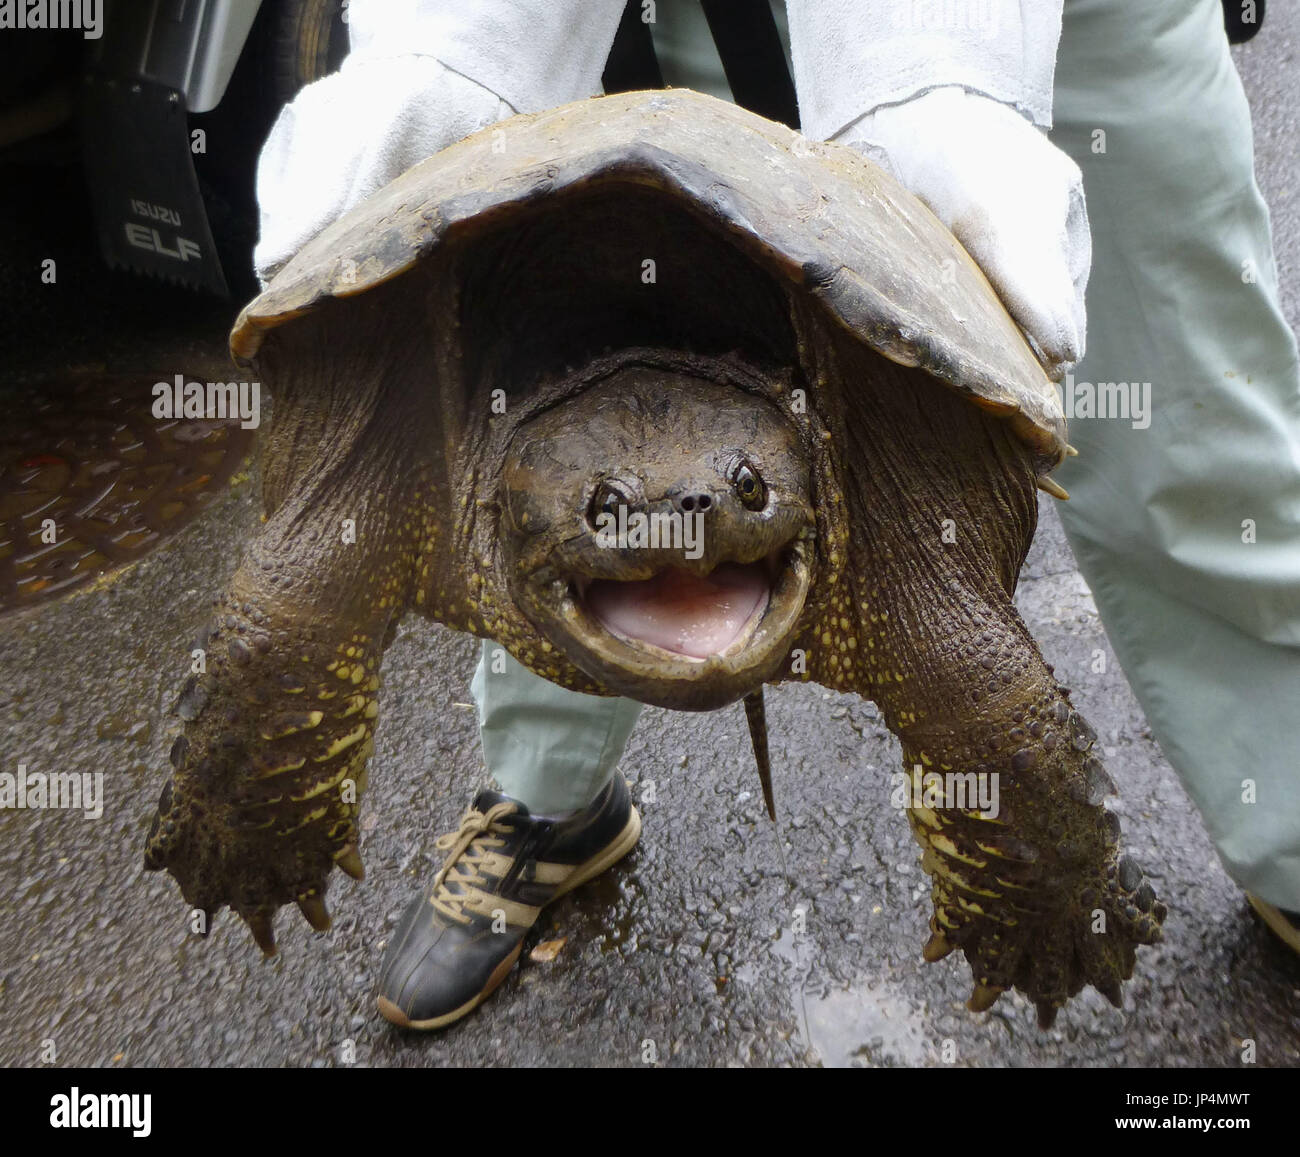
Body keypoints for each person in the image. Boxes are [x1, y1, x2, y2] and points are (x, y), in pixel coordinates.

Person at [253, 0, 1300, 1031]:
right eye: (629, 515)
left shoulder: (887, 548)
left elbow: (997, 720)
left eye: (741, 500)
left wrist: (930, 77)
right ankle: (548, 797)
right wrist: (454, 52)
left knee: (1186, 394)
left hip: (1074, 26)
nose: (693, 531)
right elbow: (282, 616)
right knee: (511, 313)